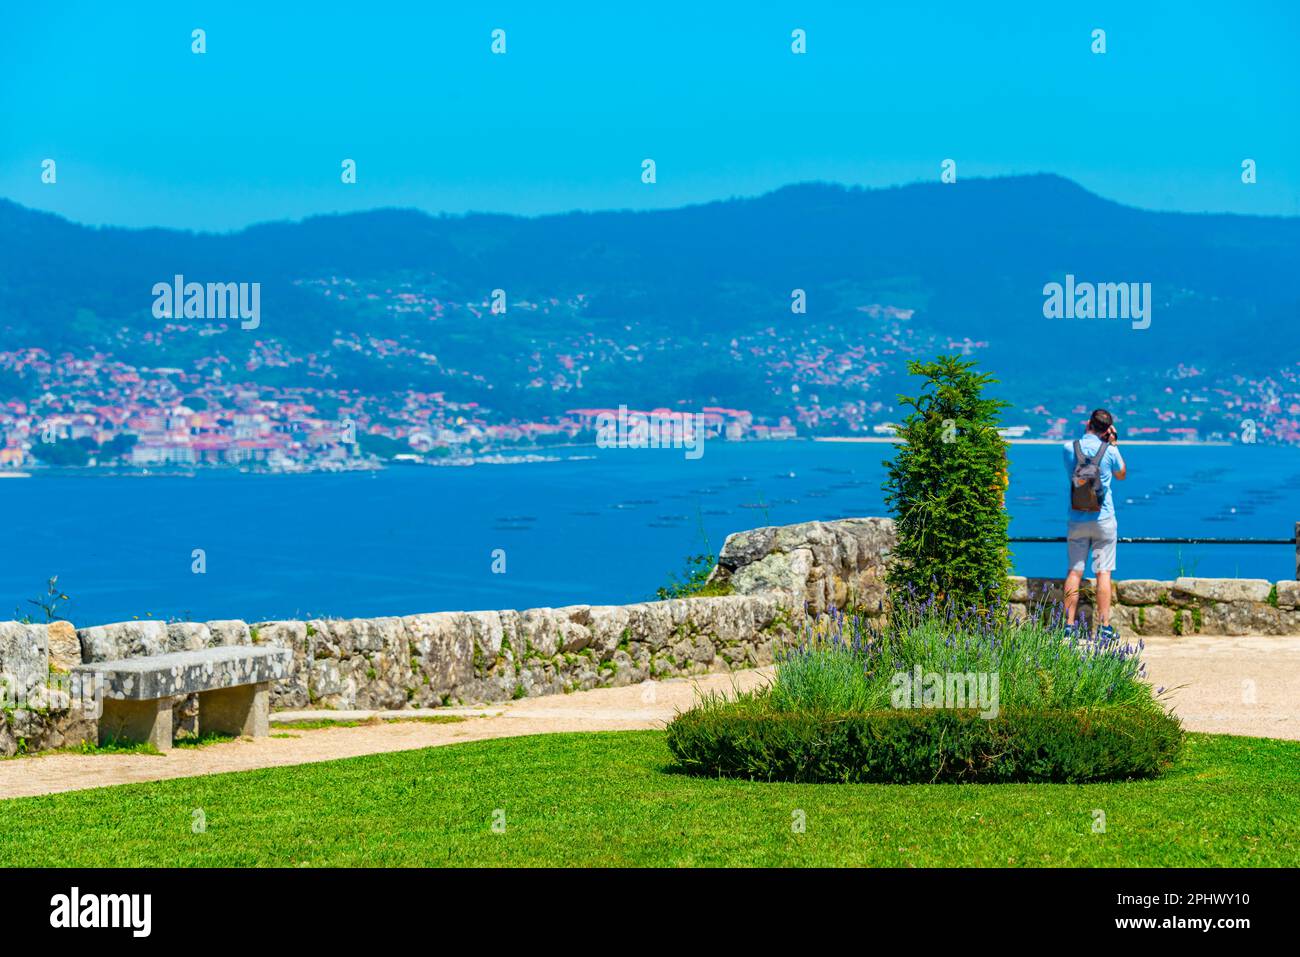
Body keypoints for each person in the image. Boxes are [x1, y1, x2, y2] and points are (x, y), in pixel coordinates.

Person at [1063, 409, 1126, 638]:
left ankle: (1068, 626)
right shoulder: (1109, 451)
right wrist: (1113, 443)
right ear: (1108, 429)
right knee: (1103, 573)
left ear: (1088, 423)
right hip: (1103, 520)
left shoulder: (1070, 449)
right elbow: (1121, 474)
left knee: (1074, 572)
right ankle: (1104, 627)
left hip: (1077, 518)